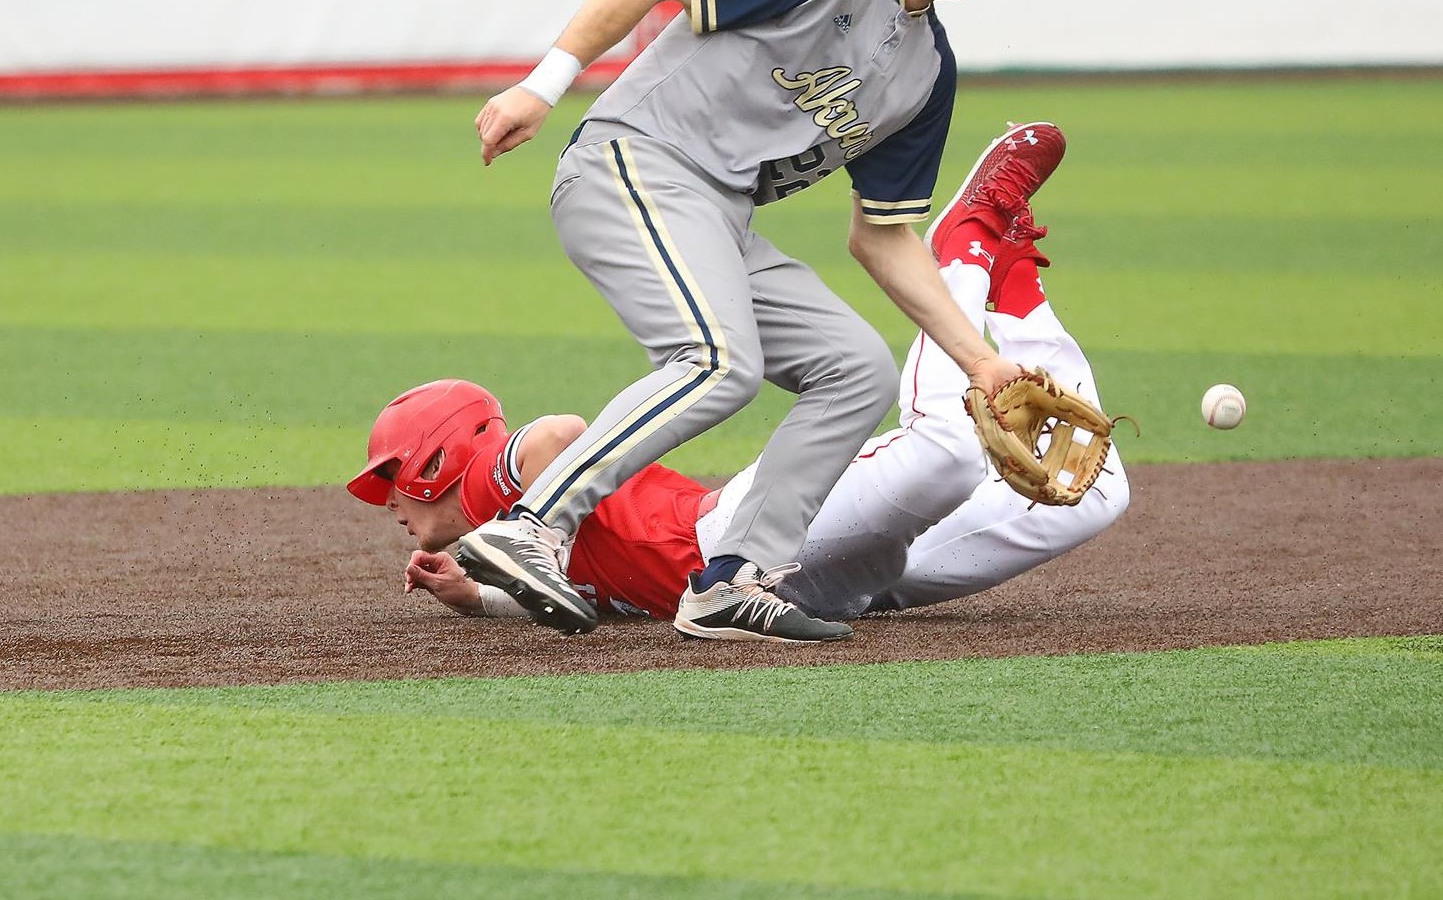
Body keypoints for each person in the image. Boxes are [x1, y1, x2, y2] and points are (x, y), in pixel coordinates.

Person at [452, 0, 1044, 641]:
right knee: (718, 361)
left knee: (856, 369)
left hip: (720, 217)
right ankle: (534, 524)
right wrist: (543, 85)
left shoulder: (927, 73)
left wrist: (980, 362)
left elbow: (882, 235)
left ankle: (732, 579)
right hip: (636, 161)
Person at [351, 122, 1128, 635]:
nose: (387, 504)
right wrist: (478, 596)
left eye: (391, 478)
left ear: (433, 463)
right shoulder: (525, 543)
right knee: (1092, 496)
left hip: (747, 539)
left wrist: (497, 514)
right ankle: (1015, 282)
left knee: (950, 453)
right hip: (830, 586)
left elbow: (555, 435)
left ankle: (963, 246)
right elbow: (597, 597)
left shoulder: (497, 488)